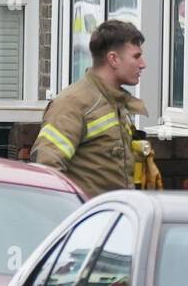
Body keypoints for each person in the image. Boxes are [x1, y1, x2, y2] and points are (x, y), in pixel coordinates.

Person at [30, 19, 162, 198]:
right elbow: (47, 169)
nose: (143, 64)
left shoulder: (113, 101)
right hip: (88, 220)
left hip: (113, 217)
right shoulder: (73, 104)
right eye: (136, 57)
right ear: (113, 59)